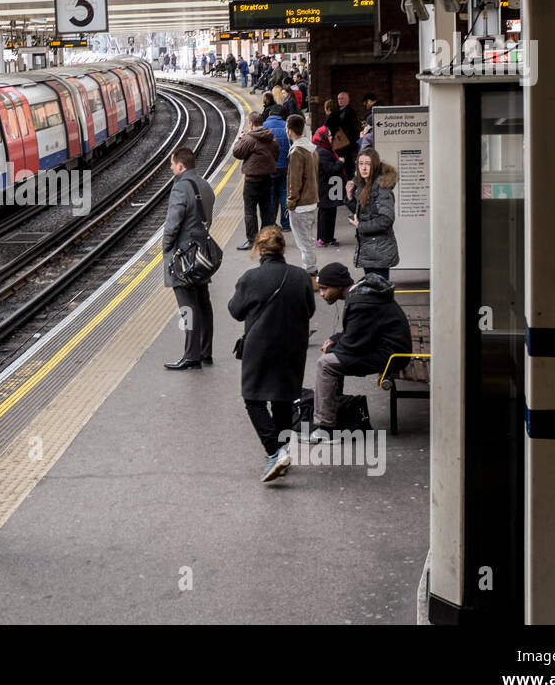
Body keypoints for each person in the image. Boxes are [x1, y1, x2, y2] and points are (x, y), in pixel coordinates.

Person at [228, 226, 316, 482]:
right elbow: (309, 310)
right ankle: (282, 449)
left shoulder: (250, 279)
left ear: (258, 249)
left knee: (253, 399)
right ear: (283, 248)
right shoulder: (300, 277)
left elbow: (235, 311)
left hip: (260, 348)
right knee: (284, 399)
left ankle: (274, 451)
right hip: (292, 347)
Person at [309, 263, 411, 441]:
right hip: (388, 348)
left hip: (391, 356)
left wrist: (331, 347)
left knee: (326, 364)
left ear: (339, 286)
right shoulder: (362, 294)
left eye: (325, 288)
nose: (322, 294)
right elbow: (360, 332)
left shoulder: (361, 302)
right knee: (331, 358)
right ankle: (334, 412)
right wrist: (336, 339)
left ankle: (325, 428)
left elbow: (353, 345)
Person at [162, 146, 216, 370]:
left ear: (181, 166)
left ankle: (191, 355)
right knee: (203, 302)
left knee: (187, 306)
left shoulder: (180, 188)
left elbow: (173, 223)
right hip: (202, 253)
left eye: (173, 164)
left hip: (183, 258)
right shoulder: (204, 184)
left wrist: (166, 247)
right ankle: (205, 352)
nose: (171, 167)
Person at [345, 147, 399, 278]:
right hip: (370, 249)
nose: (363, 168)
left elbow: (386, 219)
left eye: (368, 164)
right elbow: (364, 212)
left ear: (374, 165)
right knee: (374, 292)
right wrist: (350, 196)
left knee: (380, 293)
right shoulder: (365, 184)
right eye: (361, 164)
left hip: (379, 251)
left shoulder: (381, 189)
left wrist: (361, 226)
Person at [231, 112, 279, 251]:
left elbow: (237, 153)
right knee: (266, 210)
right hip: (267, 178)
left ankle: (252, 240)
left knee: (250, 211)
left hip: (252, 180)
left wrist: (240, 139)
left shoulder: (249, 139)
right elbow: (276, 153)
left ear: (251, 123)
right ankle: (267, 239)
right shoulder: (271, 137)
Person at [284, 114, 319, 276]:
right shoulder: (312, 148)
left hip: (301, 206)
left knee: (305, 243)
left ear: (289, 130)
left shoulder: (297, 151)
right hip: (312, 201)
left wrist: (291, 203)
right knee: (309, 241)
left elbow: (294, 181)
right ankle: (310, 270)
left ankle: (310, 273)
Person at [312, 125, 345, 247]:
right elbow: (330, 170)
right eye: (329, 135)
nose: (332, 137)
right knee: (327, 213)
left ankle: (325, 238)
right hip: (327, 187)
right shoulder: (323, 152)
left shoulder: (321, 149)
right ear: (324, 137)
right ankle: (324, 238)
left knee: (327, 212)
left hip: (326, 186)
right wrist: (339, 162)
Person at [264, 105, 291, 230]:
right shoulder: (287, 126)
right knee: (284, 194)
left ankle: (270, 223)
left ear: (270, 114)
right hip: (285, 167)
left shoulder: (263, 126)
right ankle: (286, 224)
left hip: (269, 168)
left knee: (270, 196)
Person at [336, 91, 362, 177]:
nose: (340, 100)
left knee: (348, 165)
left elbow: (353, 128)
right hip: (343, 143)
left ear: (348, 100)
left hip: (346, 144)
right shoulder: (341, 111)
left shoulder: (350, 112)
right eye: (339, 99)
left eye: (342, 98)